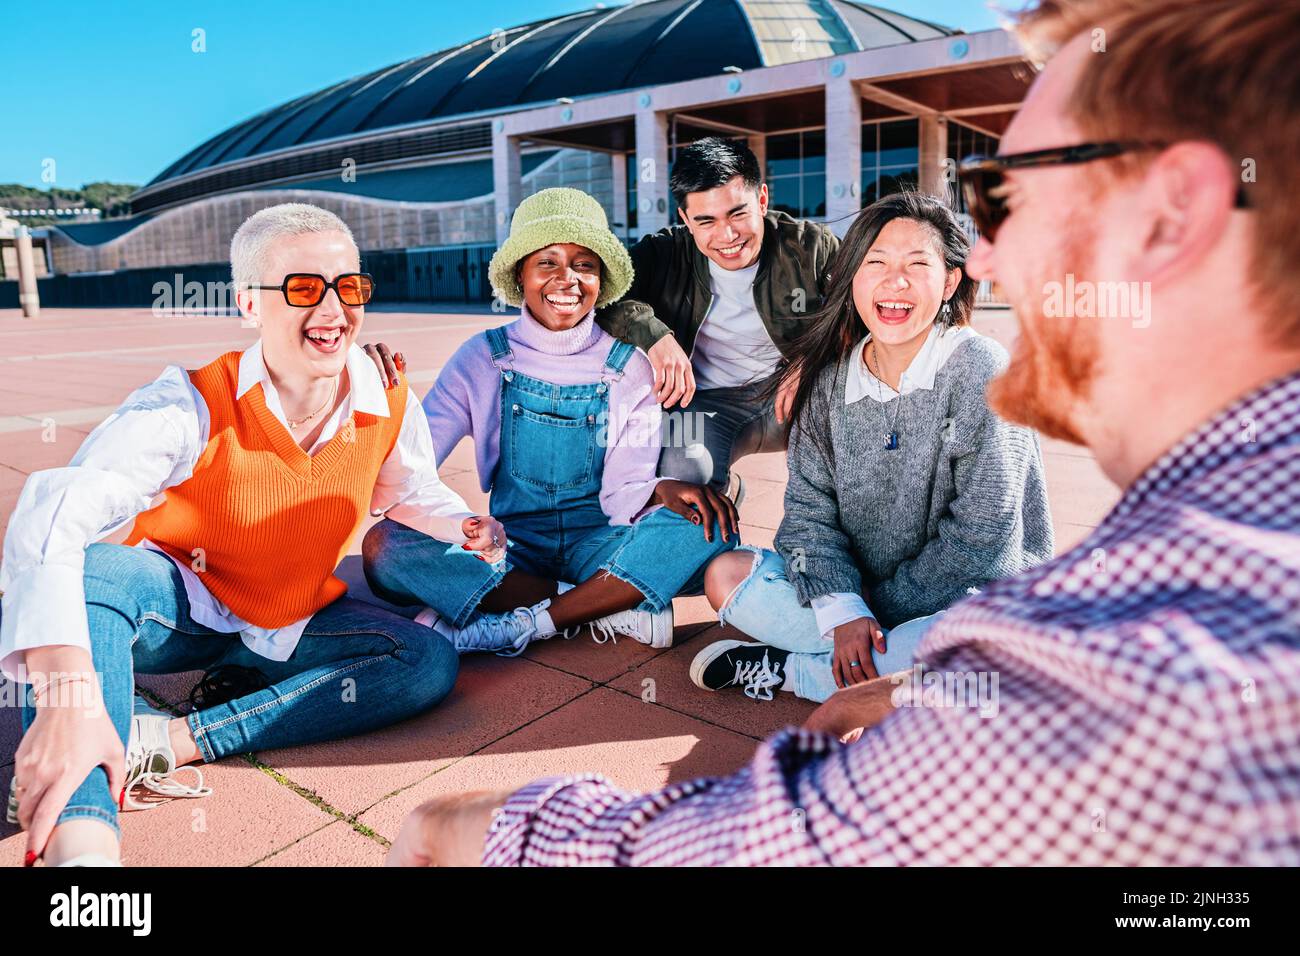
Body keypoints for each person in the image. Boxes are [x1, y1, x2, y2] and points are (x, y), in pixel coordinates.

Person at [385, 0, 1300, 866]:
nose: (982, 254)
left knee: (786, 564)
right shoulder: (1208, 535)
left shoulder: (1174, 665)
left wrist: (492, 827)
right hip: (734, 430)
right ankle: (812, 651)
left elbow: (795, 840)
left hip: (842, 480)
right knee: (720, 543)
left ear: (1174, 214)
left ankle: (794, 664)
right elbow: (789, 492)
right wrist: (872, 635)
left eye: (1006, 197)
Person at [2, 202, 480, 867]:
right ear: (249, 306)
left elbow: (410, 491)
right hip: (182, 612)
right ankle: (82, 850)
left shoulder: (387, 399)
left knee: (425, 663)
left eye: (349, 286)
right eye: (304, 288)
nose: (334, 308)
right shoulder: (186, 404)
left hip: (289, 617)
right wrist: (63, 692)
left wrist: (467, 525)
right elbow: (52, 511)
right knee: (90, 575)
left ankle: (168, 741)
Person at [689, 191, 1052, 703]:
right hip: (860, 602)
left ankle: (799, 675)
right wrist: (844, 609)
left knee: (982, 648)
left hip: (970, 602)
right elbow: (808, 519)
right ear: (852, 278)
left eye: (917, 264)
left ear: (950, 280)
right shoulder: (827, 384)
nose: (894, 281)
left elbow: (982, 543)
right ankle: (880, 676)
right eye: (875, 262)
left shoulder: (982, 371)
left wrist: (865, 615)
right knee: (726, 576)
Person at [362, 188, 737, 655]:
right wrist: (461, 523)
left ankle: (522, 622)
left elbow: (625, 492)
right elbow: (414, 464)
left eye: (584, 264)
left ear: (601, 279)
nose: (568, 280)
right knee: (385, 550)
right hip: (509, 545)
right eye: (548, 263)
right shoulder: (482, 357)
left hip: (598, 544)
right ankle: (603, 604)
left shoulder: (630, 366)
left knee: (710, 527)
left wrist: (660, 488)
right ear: (521, 274)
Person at [594, 137, 840, 500]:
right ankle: (726, 495)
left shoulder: (810, 246)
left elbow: (859, 308)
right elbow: (601, 294)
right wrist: (654, 335)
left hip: (794, 397)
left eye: (738, 214)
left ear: (762, 200)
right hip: (707, 402)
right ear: (685, 219)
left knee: (866, 440)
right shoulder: (663, 253)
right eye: (706, 221)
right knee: (684, 478)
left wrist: (811, 359)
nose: (727, 236)